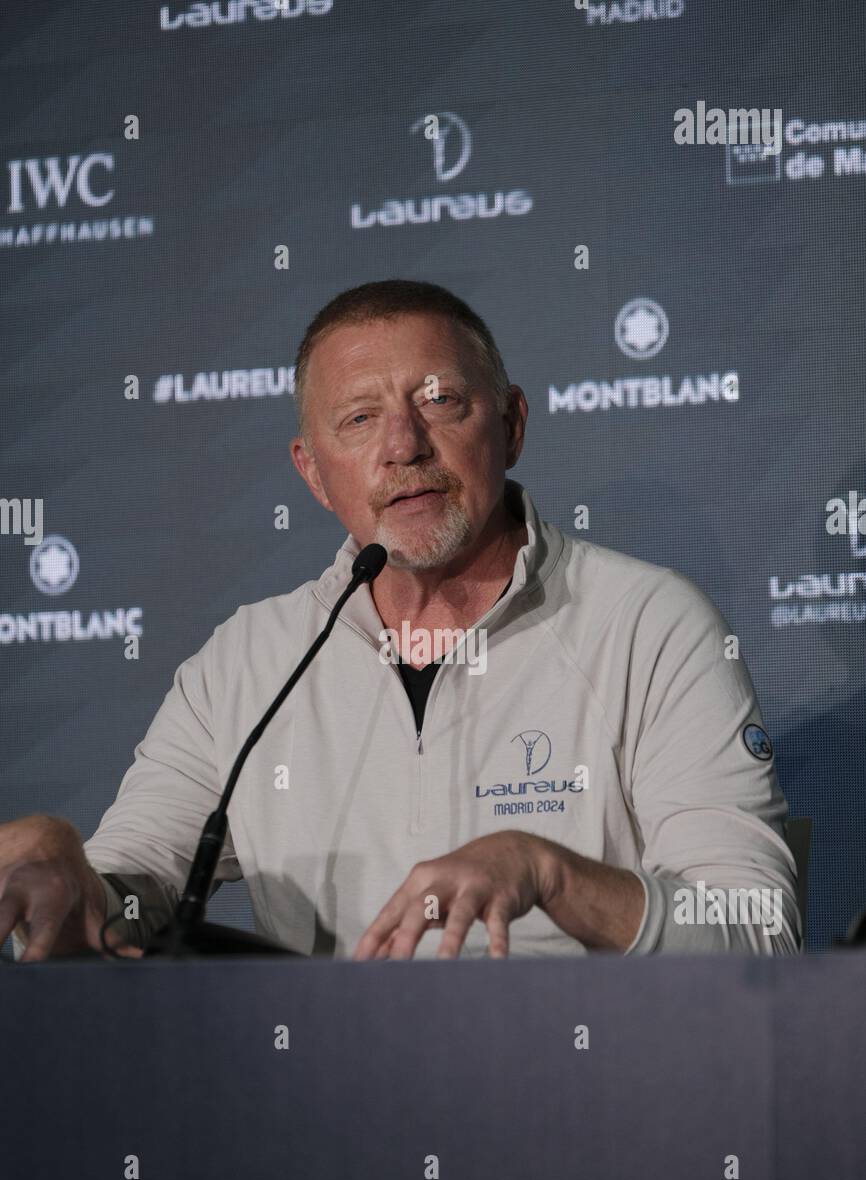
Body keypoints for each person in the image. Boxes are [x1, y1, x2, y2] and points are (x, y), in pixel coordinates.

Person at [0, 279, 801, 962]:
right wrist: (81, 893)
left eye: (440, 400)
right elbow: (139, 895)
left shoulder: (648, 625)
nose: (402, 446)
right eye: (357, 420)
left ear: (512, 424)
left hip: (583, 1107)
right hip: (324, 1111)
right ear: (312, 473)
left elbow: (755, 926)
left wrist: (549, 873)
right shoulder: (247, 662)